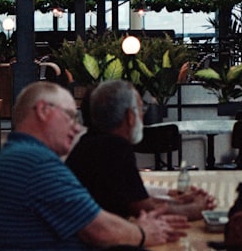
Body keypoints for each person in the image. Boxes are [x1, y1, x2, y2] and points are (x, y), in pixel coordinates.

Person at [0, 81, 188, 251]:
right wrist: (143, 232)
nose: (76, 128)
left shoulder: (19, 158)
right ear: (44, 111)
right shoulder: (34, 164)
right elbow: (100, 230)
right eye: (69, 117)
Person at [65, 79, 215, 221]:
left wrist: (179, 202)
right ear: (130, 116)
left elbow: (136, 199)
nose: (143, 114)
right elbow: (144, 209)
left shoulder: (91, 142)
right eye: (141, 108)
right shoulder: (114, 147)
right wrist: (196, 209)